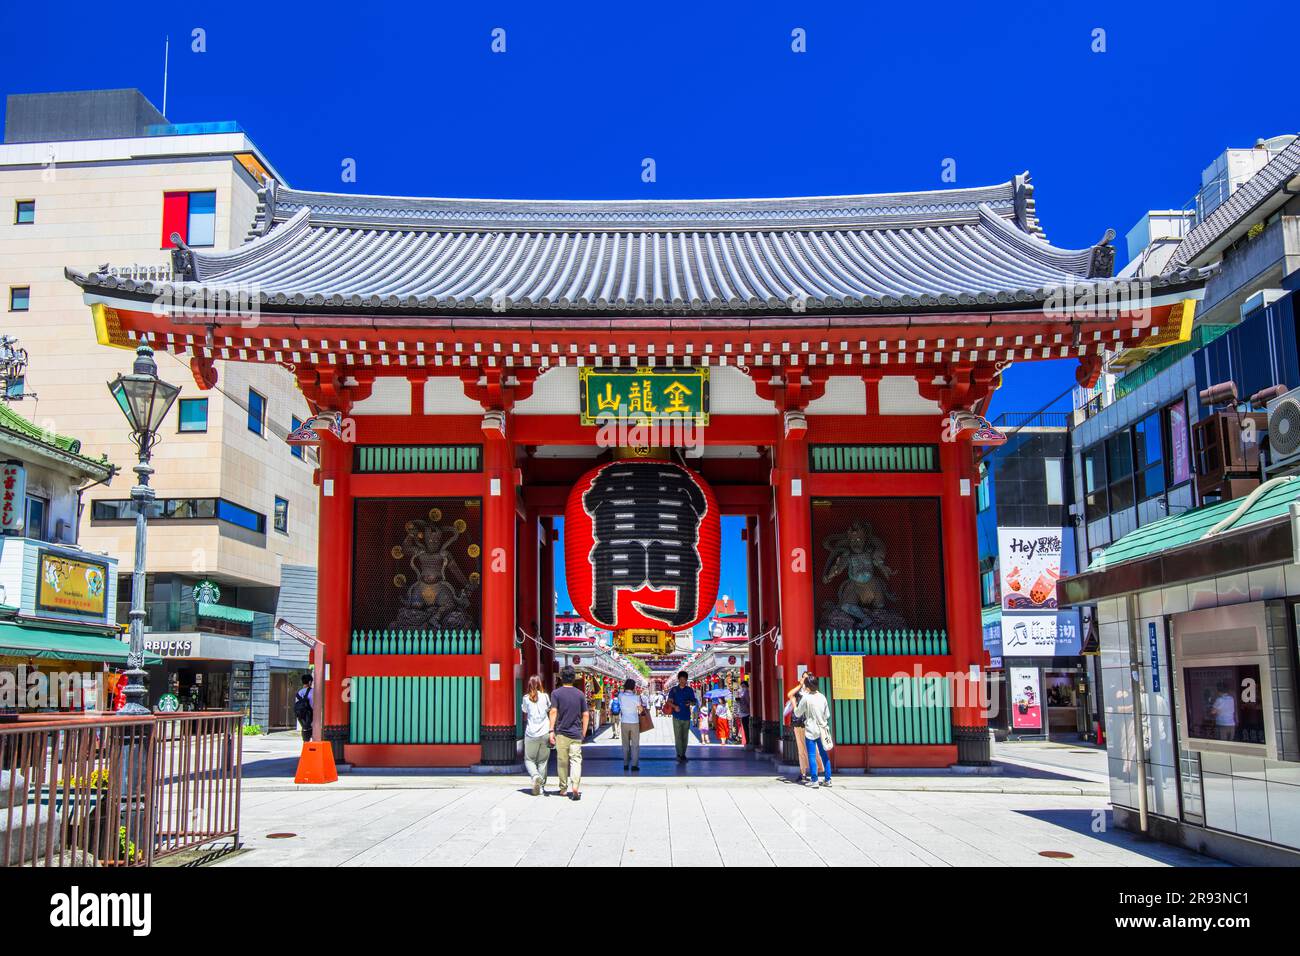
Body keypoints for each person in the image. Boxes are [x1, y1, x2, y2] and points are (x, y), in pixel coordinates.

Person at [549, 666, 589, 800]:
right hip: (576, 733)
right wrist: (583, 732)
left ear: (561, 677)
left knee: (562, 761)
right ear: (574, 678)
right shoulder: (580, 694)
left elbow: (553, 711)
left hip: (561, 733)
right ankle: (575, 786)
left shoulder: (556, 693)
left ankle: (563, 788)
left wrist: (551, 730)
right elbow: (586, 715)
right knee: (576, 760)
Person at [795, 675, 832, 788]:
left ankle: (814, 780)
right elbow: (827, 715)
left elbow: (797, 713)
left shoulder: (806, 698)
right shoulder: (822, 697)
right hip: (822, 729)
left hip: (811, 730)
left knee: (811, 755)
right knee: (824, 754)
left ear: (807, 686)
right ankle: (828, 779)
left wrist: (794, 704)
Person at [786, 676, 824, 782]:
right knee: (801, 749)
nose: (803, 680)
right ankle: (803, 772)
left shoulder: (813, 694)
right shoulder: (798, 692)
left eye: (806, 679)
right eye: (803, 678)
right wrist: (800, 685)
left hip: (809, 725)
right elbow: (789, 694)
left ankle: (818, 769)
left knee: (814, 749)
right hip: (798, 723)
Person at [520, 675, 552, 796]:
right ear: (540, 684)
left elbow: (524, 710)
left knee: (529, 759)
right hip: (544, 732)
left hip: (531, 733)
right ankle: (542, 787)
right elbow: (549, 708)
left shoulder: (526, 698)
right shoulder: (545, 697)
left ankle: (535, 776)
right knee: (543, 761)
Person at [664, 670, 698, 762]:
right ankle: (679, 754)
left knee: (685, 736)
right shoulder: (674, 690)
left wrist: (690, 702)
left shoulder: (689, 690)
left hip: (686, 716)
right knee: (678, 736)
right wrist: (675, 707)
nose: (682, 681)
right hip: (676, 716)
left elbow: (694, 701)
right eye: (681, 679)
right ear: (678, 679)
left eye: (684, 679)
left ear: (686, 680)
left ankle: (683, 753)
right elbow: (668, 702)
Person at [617, 678, 646, 771]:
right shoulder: (636, 697)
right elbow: (640, 709)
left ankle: (625, 764)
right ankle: (634, 765)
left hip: (624, 721)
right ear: (633, 687)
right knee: (635, 744)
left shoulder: (620, 696)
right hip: (634, 722)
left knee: (625, 744)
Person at [293, 674, 314, 742]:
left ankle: (305, 744)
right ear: (310, 682)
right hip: (310, 715)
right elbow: (314, 705)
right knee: (310, 729)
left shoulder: (299, 693)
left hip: (301, 716)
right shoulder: (313, 691)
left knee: (305, 729)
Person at [734, 679, 751, 748]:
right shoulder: (742, 693)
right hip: (743, 712)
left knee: (747, 728)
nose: (742, 688)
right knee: (745, 728)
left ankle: (748, 741)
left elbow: (748, 702)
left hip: (746, 712)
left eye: (744, 686)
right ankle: (747, 741)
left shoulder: (746, 692)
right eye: (742, 686)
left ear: (747, 686)